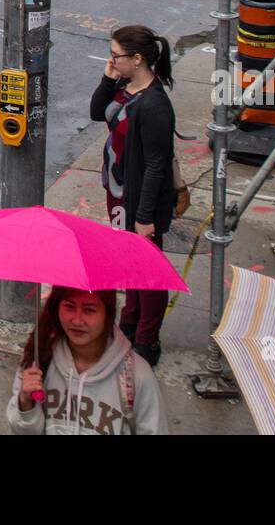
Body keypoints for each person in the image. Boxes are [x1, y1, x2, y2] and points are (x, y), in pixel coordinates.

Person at [90, 25, 176, 366]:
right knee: (129, 262)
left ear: (137, 59)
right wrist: (108, 78)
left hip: (140, 199)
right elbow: (98, 112)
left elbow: (157, 165)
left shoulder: (154, 105)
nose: (111, 60)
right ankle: (129, 320)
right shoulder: (125, 86)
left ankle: (146, 341)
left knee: (149, 270)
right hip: (117, 190)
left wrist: (144, 217)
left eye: (116, 55)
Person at [7, 286, 167, 435]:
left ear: (108, 314)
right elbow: (22, 430)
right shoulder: (39, 357)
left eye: (89, 310)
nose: (77, 320)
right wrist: (25, 403)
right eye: (69, 306)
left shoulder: (136, 375)